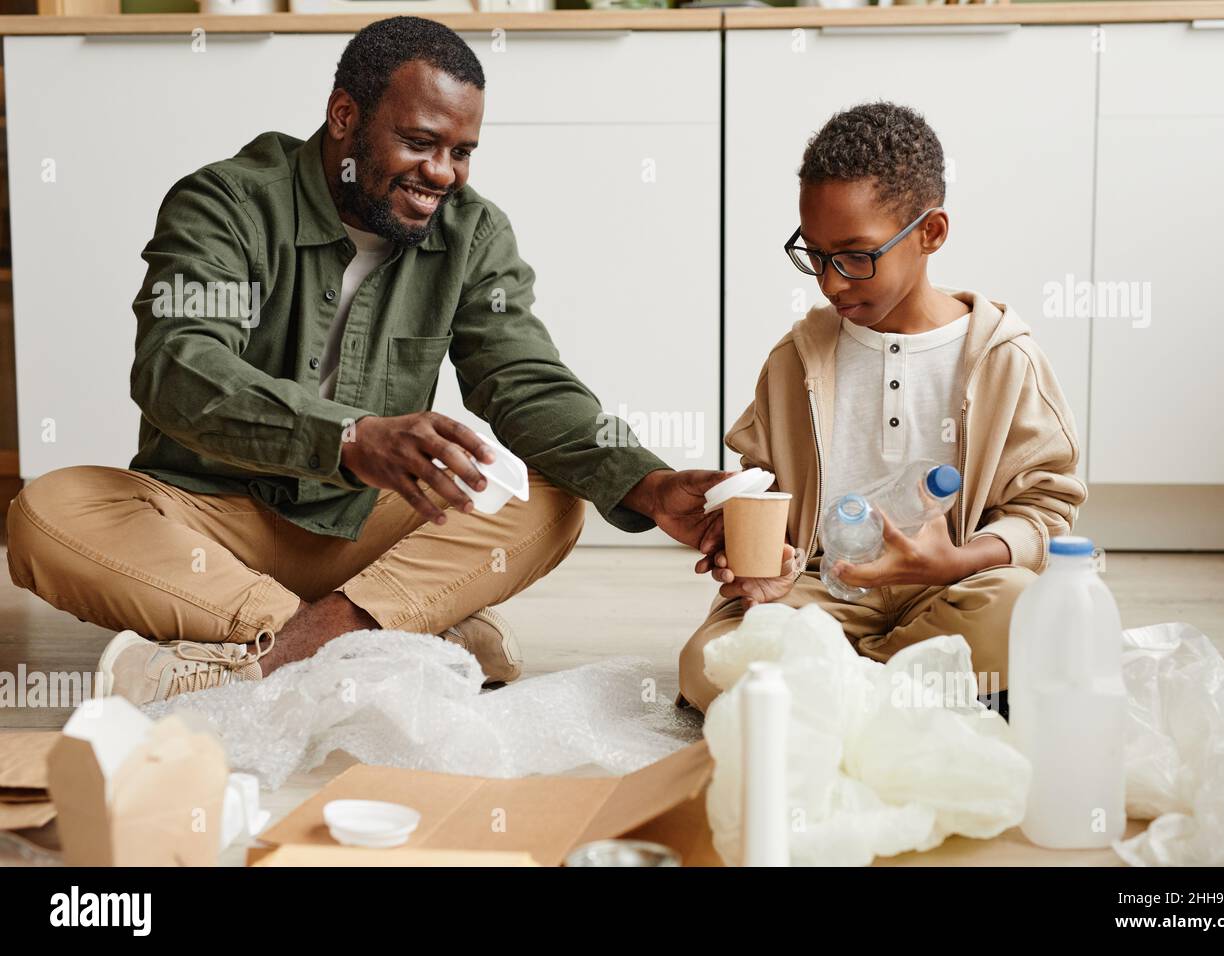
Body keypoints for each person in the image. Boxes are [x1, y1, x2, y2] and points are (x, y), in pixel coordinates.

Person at [6, 17, 723, 706]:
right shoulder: (226, 203)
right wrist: (347, 436)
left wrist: (649, 483)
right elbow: (178, 367)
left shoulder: (472, 234)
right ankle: (397, 631)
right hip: (209, 524)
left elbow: (524, 382)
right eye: (420, 142)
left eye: (461, 150)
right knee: (47, 514)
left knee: (555, 497)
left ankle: (275, 655)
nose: (441, 173)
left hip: (361, 530)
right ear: (345, 116)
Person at [679, 101, 1087, 717]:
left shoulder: (1004, 358)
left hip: (950, 589)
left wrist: (957, 560)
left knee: (1017, 605)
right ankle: (907, 686)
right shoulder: (796, 359)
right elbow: (765, 497)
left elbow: (1046, 509)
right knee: (706, 661)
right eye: (814, 255)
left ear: (931, 233)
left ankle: (838, 688)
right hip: (820, 595)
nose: (831, 283)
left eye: (855, 256)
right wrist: (763, 561)